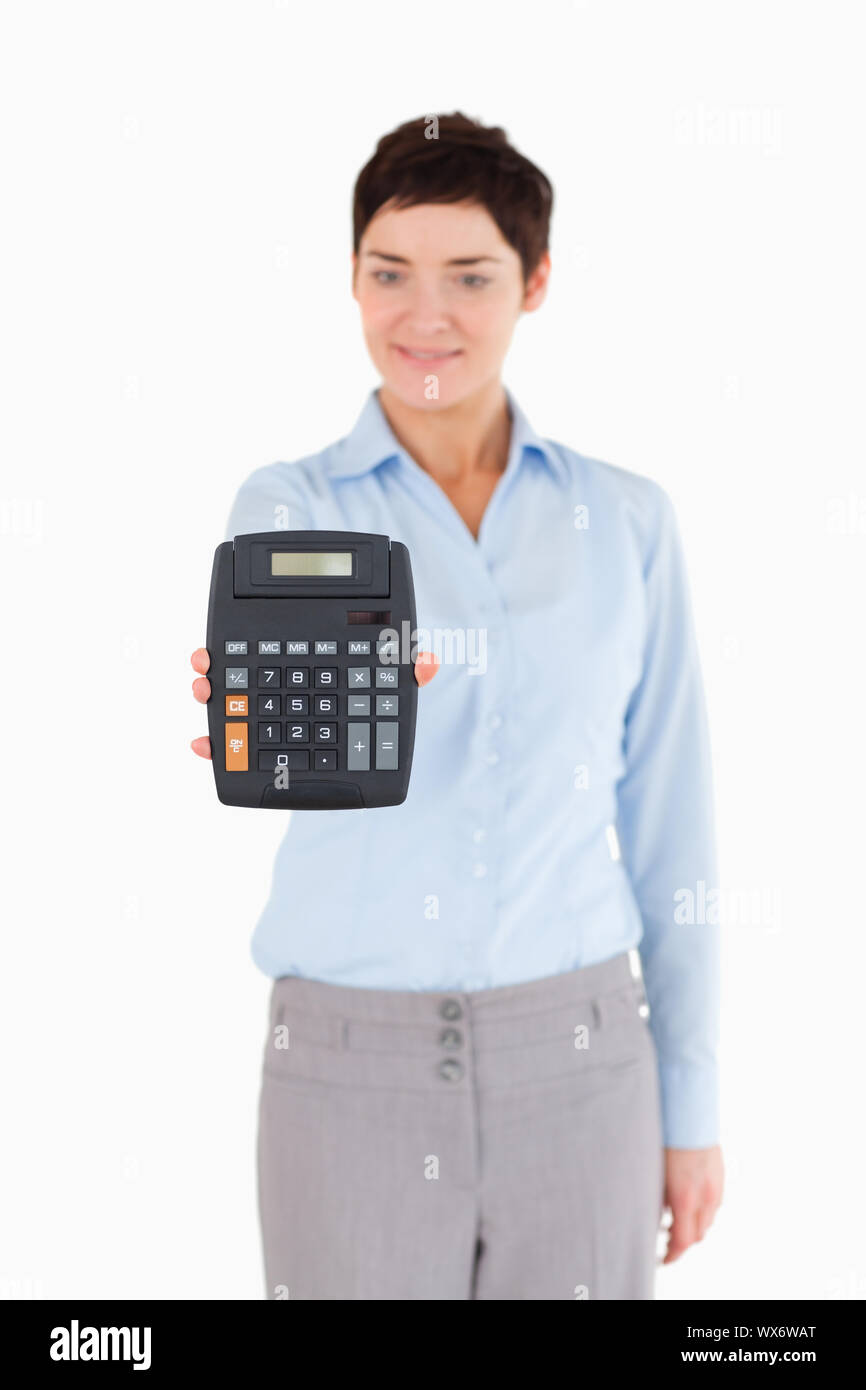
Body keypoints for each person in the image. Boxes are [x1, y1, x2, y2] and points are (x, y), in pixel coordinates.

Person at [190, 111, 723, 1300]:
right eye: (389, 274)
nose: (422, 316)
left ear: (533, 284)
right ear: (350, 280)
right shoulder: (289, 504)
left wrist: (690, 1105)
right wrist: (281, 710)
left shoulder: (626, 524)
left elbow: (671, 825)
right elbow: (288, 732)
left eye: (468, 277)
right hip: (346, 1063)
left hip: (583, 1062)